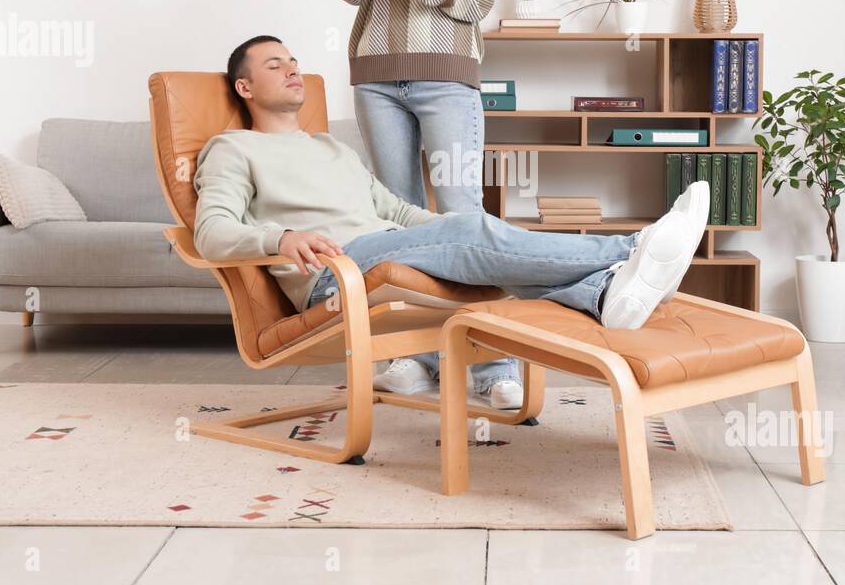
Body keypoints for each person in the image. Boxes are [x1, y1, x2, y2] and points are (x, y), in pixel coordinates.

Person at [193, 37, 709, 408]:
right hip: (335, 273)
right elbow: (210, 234)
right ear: (244, 86)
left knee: (471, 232)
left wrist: (442, 230)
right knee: (471, 231)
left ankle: (601, 294)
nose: (292, 70)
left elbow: (396, 211)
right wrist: (280, 237)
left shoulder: (331, 147)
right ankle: (632, 250)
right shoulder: (232, 148)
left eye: (295, 62)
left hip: (386, 247)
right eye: (275, 64)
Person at [318, 0, 518, 400]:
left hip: (444, 76)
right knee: (395, 223)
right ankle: (414, 357)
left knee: (460, 215)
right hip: (376, 76)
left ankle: (492, 366)